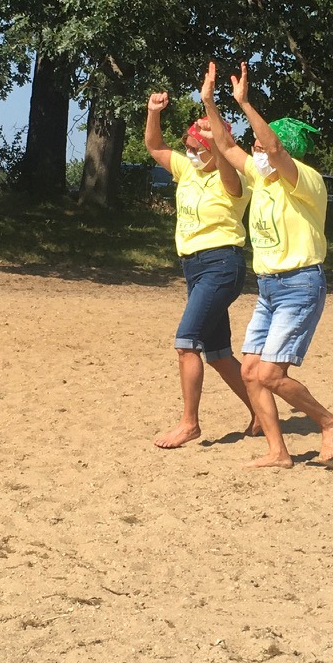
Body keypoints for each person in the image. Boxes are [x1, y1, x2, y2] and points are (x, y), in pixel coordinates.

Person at [200, 61, 333, 468]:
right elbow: (227, 147)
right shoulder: (261, 178)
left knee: (269, 375)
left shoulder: (306, 180)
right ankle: (278, 452)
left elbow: (276, 150)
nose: (257, 151)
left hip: (300, 285)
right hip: (268, 289)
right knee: (250, 372)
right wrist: (210, 102)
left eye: (262, 146)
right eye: (257, 146)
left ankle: (329, 422)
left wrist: (245, 104)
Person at [142, 72, 256, 447]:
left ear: (216, 147)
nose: (191, 152)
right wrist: (153, 112)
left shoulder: (234, 177)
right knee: (218, 353)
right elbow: (155, 146)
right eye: (189, 145)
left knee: (186, 342)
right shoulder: (187, 171)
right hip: (193, 267)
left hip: (221, 264)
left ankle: (189, 423)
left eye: (198, 146)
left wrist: (217, 139)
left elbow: (228, 172)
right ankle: (260, 412)